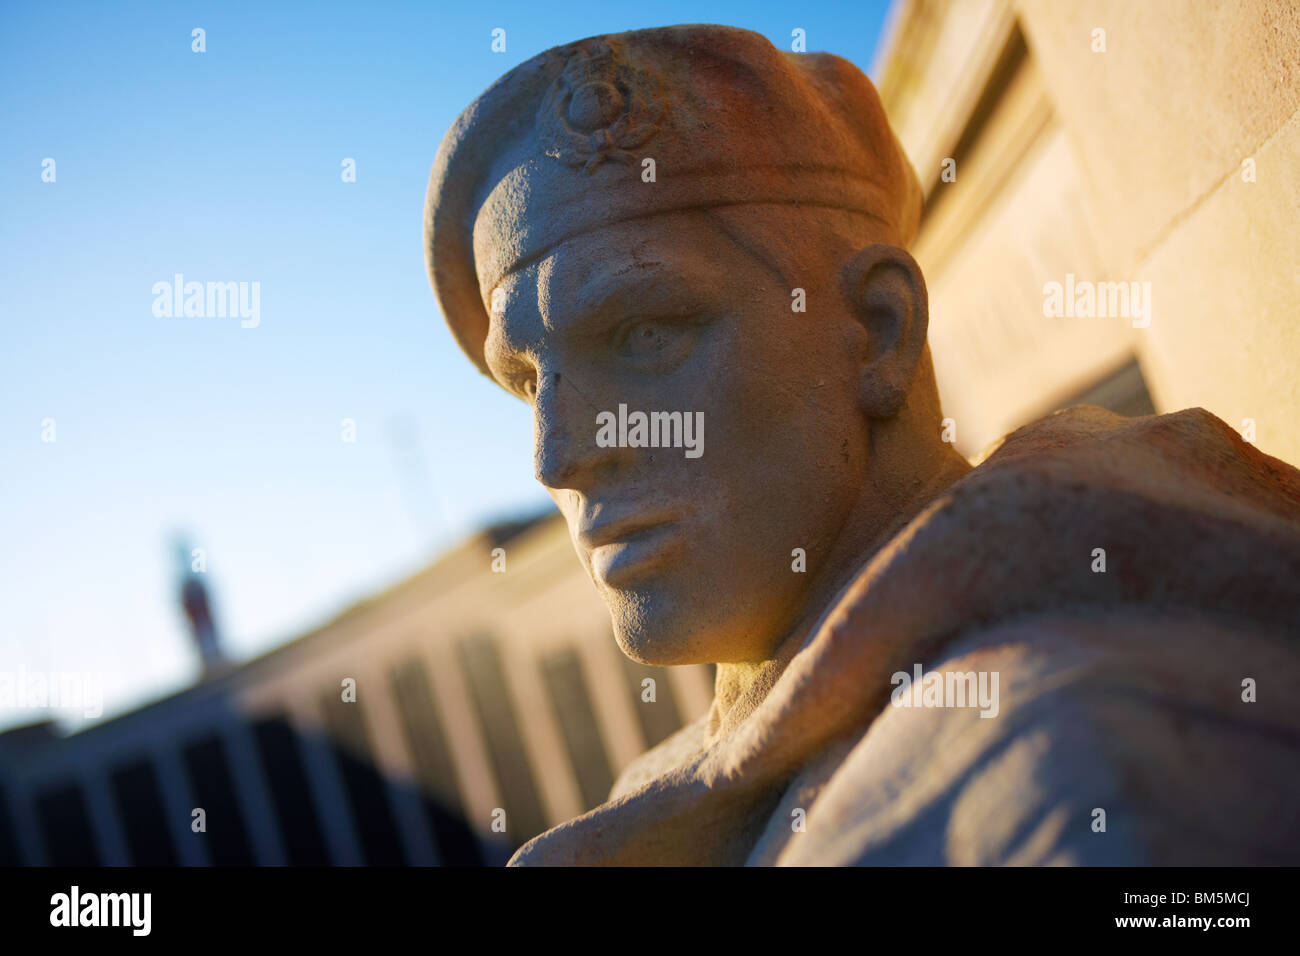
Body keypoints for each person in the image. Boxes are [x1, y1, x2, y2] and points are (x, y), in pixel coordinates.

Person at [425, 24, 1300, 865]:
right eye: (532, 383)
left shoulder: (1068, 767)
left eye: (646, 334)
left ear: (880, 331)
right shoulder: (675, 793)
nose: (558, 457)